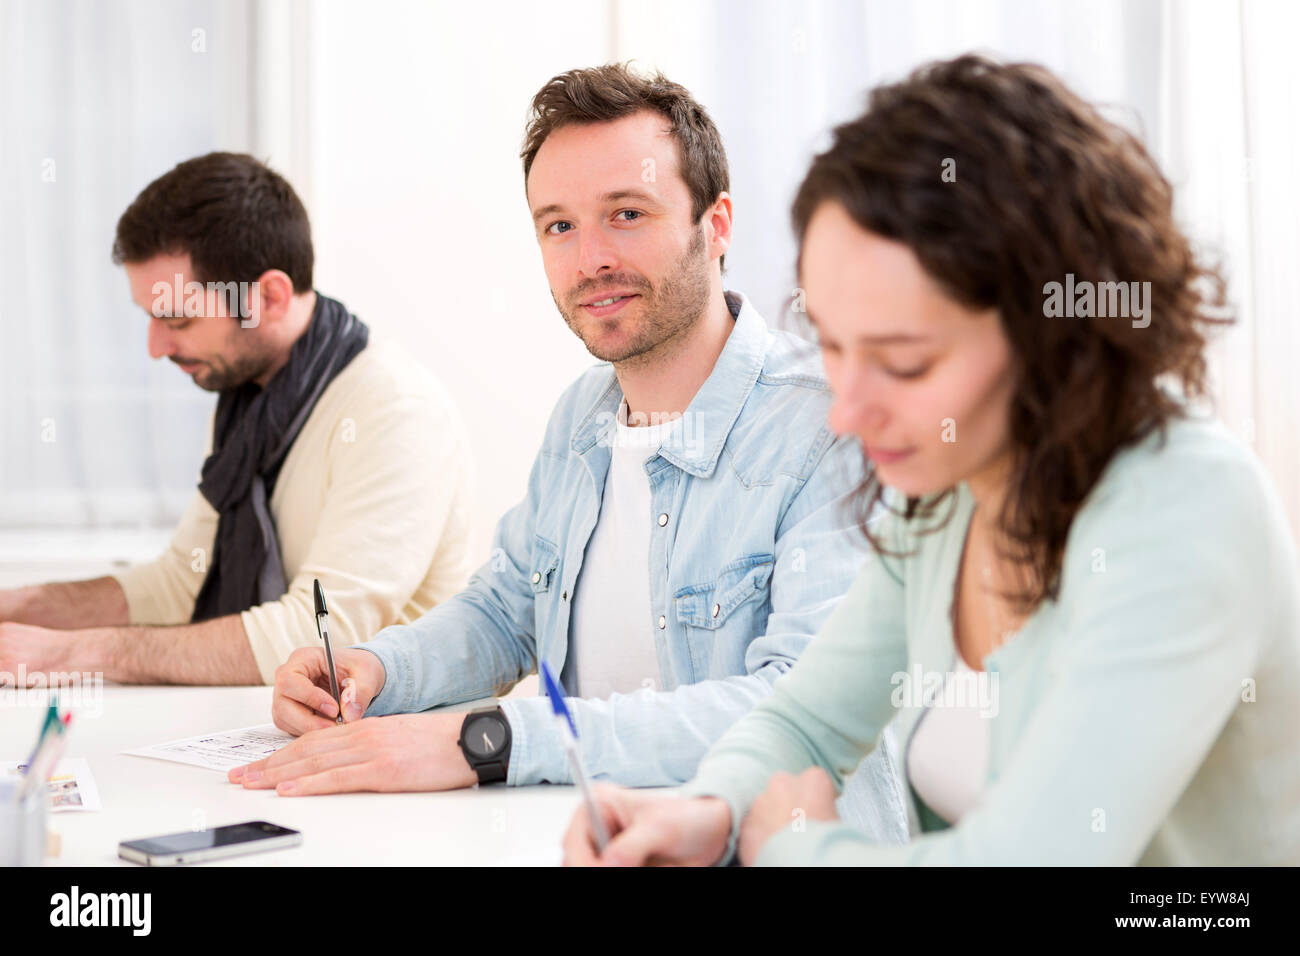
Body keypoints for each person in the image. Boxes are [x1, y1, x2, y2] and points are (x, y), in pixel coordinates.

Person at [561, 54, 1300, 866]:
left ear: (1055, 338)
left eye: (906, 364)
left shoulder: (1185, 510)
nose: (847, 411)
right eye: (833, 348)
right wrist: (706, 810)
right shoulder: (952, 496)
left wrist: (800, 848)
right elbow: (803, 720)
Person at [228, 65, 907, 844]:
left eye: (626, 213)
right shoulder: (582, 416)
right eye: (559, 225)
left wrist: (490, 741)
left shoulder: (831, 423)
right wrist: (375, 671)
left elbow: (797, 705)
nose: (589, 259)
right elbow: (506, 609)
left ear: (715, 225)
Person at [0, 152, 475, 685]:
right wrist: (14, 608)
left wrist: (68, 655)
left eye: (176, 318)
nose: (156, 347)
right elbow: (184, 582)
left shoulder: (394, 411)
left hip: (385, 741)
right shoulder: (248, 404)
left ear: (268, 297)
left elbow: (320, 635)